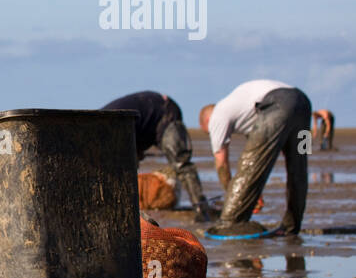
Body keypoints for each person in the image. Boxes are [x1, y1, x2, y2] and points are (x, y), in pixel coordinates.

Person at [200, 80, 312, 236]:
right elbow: (261, 160)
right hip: (304, 104)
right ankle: (292, 227)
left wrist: (231, 196)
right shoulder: (243, 111)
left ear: (207, 121)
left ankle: (230, 223)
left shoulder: (217, 115)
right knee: (300, 166)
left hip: (277, 103)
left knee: (247, 166)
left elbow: (222, 164)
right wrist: (254, 193)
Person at [103, 91, 215, 221]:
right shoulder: (104, 128)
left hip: (164, 112)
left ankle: (201, 208)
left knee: (181, 162)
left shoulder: (103, 127)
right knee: (126, 169)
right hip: (137, 127)